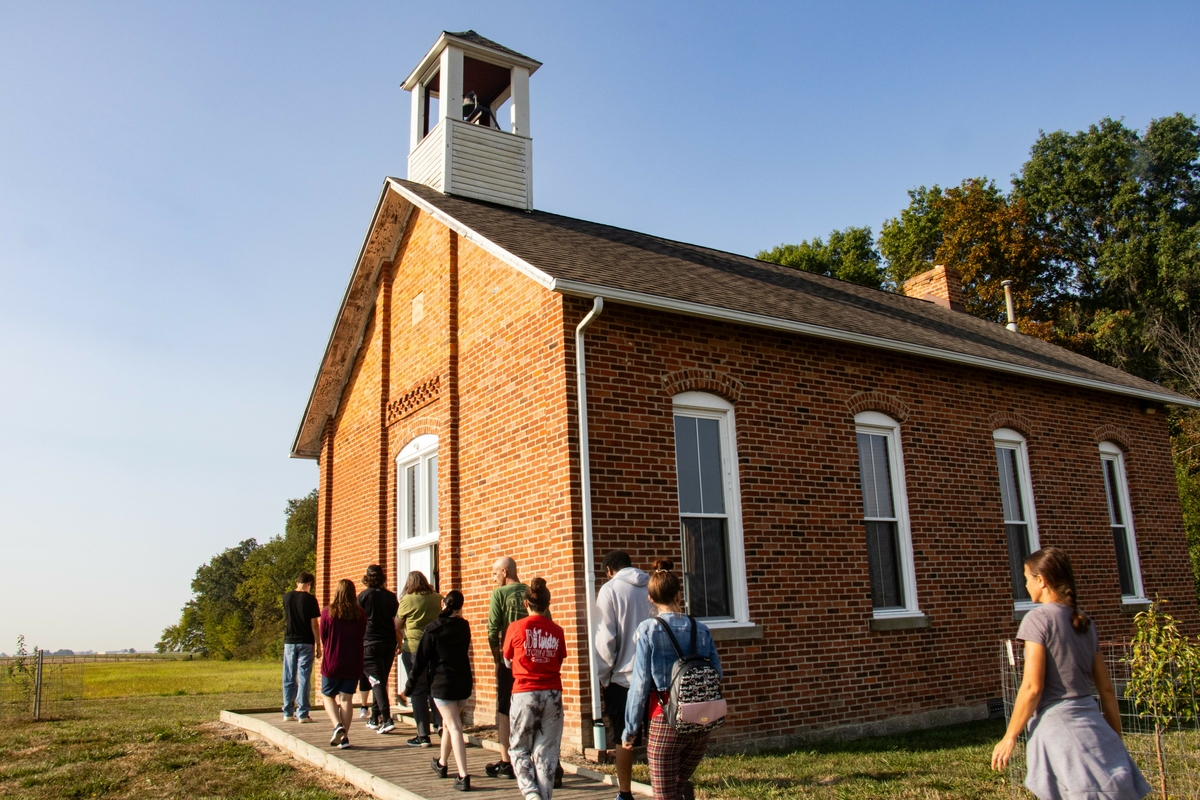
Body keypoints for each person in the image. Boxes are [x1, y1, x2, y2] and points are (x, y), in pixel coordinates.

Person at [991, 547, 1150, 800]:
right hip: (1092, 722)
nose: (1025, 585)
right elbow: (1106, 689)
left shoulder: (1037, 620)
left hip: (1059, 729)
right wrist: (1113, 739)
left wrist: (1010, 736)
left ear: (1041, 581)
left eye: (1026, 579)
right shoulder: (1085, 622)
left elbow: (1032, 687)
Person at [623, 559, 721, 800]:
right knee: (678, 785)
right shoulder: (701, 629)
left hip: (665, 720)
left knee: (665, 794)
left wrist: (630, 730)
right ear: (679, 593)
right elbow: (717, 673)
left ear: (650, 598)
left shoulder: (648, 630)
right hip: (702, 721)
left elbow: (640, 685)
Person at [401, 590, 474, 792]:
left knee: (455, 727)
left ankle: (463, 775)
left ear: (444, 604)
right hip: (463, 683)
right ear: (460, 607)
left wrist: (409, 686)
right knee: (450, 726)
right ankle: (442, 763)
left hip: (443, 684)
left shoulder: (432, 629)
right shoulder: (464, 627)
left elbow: (420, 662)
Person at [594, 551, 653, 800]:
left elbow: (605, 639)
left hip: (623, 676)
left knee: (623, 738)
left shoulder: (609, 590)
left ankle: (625, 792)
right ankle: (664, 785)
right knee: (659, 734)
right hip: (654, 674)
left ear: (609, 570)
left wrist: (604, 675)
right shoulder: (652, 584)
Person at [503, 577, 567, 800]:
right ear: (548, 605)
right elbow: (559, 661)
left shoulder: (515, 628)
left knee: (519, 749)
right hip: (552, 693)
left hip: (524, 692)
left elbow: (507, 659)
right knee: (546, 752)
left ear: (526, 604)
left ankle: (531, 795)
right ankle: (544, 796)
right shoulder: (557, 631)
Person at [485, 555, 528, 779]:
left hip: (509, 659)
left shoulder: (499, 594)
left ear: (504, 572)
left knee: (504, 709)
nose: (493, 578)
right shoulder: (531, 591)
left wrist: (496, 658)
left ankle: (506, 762)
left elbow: (493, 629)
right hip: (533, 659)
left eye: (494, 573)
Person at [319, 578, 368, 750]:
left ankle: (337, 725)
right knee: (346, 699)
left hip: (333, 660)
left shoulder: (328, 612)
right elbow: (362, 633)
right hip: (354, 661)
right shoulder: (360, 613)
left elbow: (323, 635)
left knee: (328, 695)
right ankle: (345, 737)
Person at [398, 570, 444, 747]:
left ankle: (423, 735)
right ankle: (440, 723)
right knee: (434, 688)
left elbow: (397, 624)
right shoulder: (437, 597)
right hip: (435, 647)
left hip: (413, 648)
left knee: (418, 690)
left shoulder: (407, 600)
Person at [357, 564, 400, 734]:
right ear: (383, 578)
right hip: (388, 643)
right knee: (380, 681)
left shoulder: (363, 596)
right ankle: (374, 717)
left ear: (367, 578)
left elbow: (356, 620)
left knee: (377, 682)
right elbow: (396, 622)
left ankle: (386, 718)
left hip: (369, 643)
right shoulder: (391, 597)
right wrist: (399, 641)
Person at [282, 571, 322, 723]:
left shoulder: (286, 597)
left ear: (297, 582)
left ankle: (287, 711)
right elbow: (314, 624)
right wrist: (318, 644)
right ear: (309, 584)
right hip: (306, 640)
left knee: (289, 676)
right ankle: (303, 713)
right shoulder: (311, 599)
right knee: (304, 676)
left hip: (290, 640)